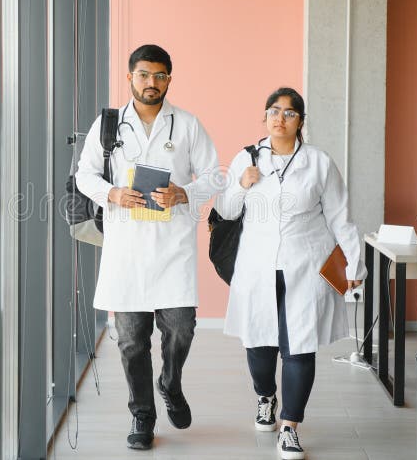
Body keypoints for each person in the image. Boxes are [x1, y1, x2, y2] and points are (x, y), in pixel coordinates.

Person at [75, 44, 220, 450]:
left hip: (172, 247)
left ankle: (169, 384)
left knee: (181, 329)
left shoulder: (186, 124)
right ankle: (142, 414)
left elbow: (215, 174)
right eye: (143, 74)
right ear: (130, 77)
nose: (151, 82)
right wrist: (112, 193)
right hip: (125, 251)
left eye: (159, 75)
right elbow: (85, 174)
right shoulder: (108, 125)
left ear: (169, 79)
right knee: (131, 342)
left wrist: (184, 192)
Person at [216, 87, 367, 460]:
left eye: (289, 113)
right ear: (264, 116)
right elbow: (226, 211)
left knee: (299, 345)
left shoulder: (319, 162)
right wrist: (242, 184)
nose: (280, 118)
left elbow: (340, 216)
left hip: (305, 265)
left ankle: (290, 427)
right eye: (274, 111)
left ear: (301, 121)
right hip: (257, 267)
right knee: (259, 344)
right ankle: (265, 396)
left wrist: (355, 262)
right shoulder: (246, 158)